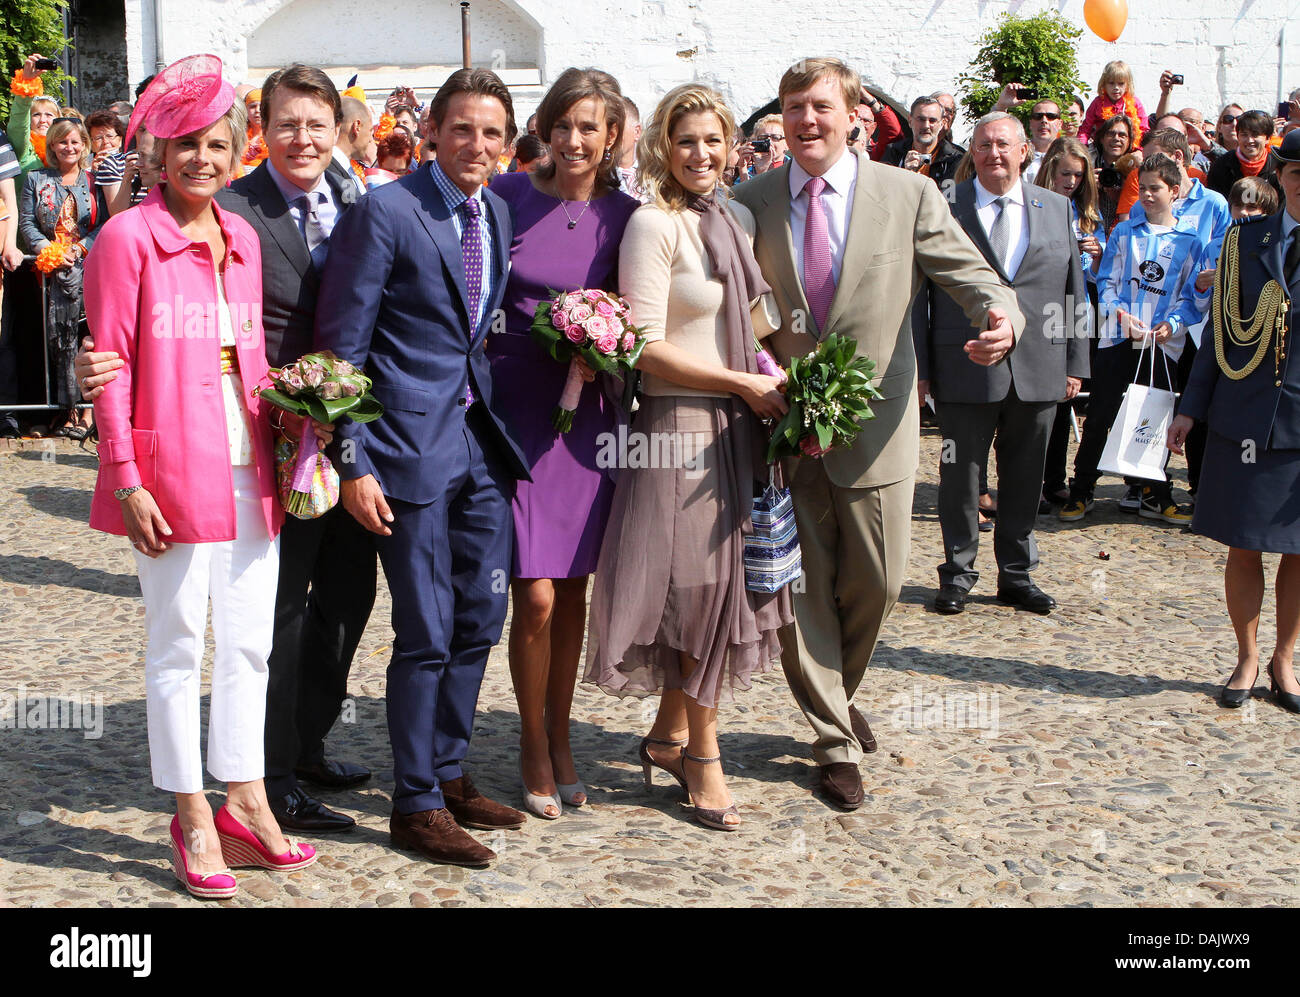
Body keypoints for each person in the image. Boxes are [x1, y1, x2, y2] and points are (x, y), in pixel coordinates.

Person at [77, 64, 374, 836]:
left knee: (249, 642)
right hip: (169, 460)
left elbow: (253, 359)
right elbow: (109, 364)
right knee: (177, 641)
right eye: (184, 145)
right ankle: (189, 812)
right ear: (157, 152)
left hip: (255, 459)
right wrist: (125, 476)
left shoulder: (239, 233)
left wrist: (311, 402)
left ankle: (247, 796)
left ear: (236, 147)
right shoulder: (125, 237)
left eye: (216, 144)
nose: (201, 159)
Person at [732, 58, 1021, 809]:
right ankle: (831, 734)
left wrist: (1005, 316)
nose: (807, 120)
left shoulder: (909, 194)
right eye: (794, 107)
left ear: (856, 113)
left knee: (881, 581)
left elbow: (972, 274)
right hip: (783, 431)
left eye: (822, 106)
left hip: (879, 427)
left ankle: (837, 686)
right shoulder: (748, 201)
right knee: (800, 590)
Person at [315, 67, 531, 867]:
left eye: (493, 134)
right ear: (433, 131)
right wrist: (351, 459)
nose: (478, 146)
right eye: (463, 129)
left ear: (508, 145)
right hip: (401, 453)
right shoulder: (385, 212)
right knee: (428, 626)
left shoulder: (498, 211)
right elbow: (342, 346)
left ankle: (446, 770)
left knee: (481, 613)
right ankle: (414, 805)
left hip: (478, 445)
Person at [584, 82, 792, 831]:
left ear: (730, 142)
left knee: (724, 586)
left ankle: (671, 735)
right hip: (677, 429)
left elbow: (759, 326)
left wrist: (796, 383)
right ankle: (704, 753)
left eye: (712, 139)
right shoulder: (654, 223)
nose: (700, 154)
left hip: (740, 430)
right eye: (685, 141)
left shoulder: (734, 218)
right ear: (662, 148)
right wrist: (739, 380)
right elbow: (640, 347)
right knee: (697, 594)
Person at [486, 68, 639, 820]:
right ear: (543, 129)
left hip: (589, 420)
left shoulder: (627, 215)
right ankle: (530, 740)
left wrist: (610, 341)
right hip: (514, 410)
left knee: (574, 587)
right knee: (535, 591)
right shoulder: (506, 199)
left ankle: (562, 729)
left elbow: (641, 312)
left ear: (613, 135)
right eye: (563, 124)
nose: (575, 140)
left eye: (591, 127)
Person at [915, 112, 1087, 616]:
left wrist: (1075, 362)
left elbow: (1073, 289)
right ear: (973, 151)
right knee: (959, 477)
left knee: (1026, 476)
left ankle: (1016, 574)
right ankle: (958, 573)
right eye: (985, 145)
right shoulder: (946, 206)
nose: (995, 154)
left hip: (1040, 365)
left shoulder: (1055, 208)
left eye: (1004, 145)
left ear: (1024, 151)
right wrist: (922, 365)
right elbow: (919, 294)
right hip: (963, 363)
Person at [1167, 130, 1300, 713]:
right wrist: (1190, 408)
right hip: (1243, 414)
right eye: (1296, 171)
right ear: (1280, 178)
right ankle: (1247, 656)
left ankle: (1285, 660)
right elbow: (1221, 333)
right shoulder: (1244, 240)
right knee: (1244, 547)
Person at [1059, 154, 1204, 525]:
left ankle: (1154, 492)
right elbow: (1105, 282)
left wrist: (1172, 324)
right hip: (1118, 339)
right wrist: (1121, 316)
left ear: (1174, 191)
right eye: (1143, 188)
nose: (1148, 195)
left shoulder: (1190, 241)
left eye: (1156, 188)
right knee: (1101, 415)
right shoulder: (1125, 232)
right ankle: (1082, 488)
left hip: (1162, 344)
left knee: (1154, 417)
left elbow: (1192, 297)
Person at [19, 115, 106, 439]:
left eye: (74, 141)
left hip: (89, 269)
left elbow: (105, 222)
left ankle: (86, 414)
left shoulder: (95, 180)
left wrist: (80, 249)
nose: (68, 147)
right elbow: (27, 222)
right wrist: (49, 250)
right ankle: (63, 412)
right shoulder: (35, 178)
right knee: (56, 343)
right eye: (62, 141)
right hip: (50, 274)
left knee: (87, 339)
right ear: (53, 145)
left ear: (83, 145)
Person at [1036, 137, 1106, 509]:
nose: (1072, 181)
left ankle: (1054, 479)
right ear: (1051, 170)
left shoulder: (1089, 212)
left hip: (1074, 307)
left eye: (1079, 175)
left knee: (1065, 394)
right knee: (1031, 399)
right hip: (1040, 304)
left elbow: (1104, 274)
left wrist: (1097, 256)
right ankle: (1025, 479)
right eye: (1066, 173)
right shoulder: (1034, 204)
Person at [883, 96, 963, 187]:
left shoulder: (955, 159)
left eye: (932, 120)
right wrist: (904, 173)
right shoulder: (894, 151)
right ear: (910, 120)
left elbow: (949, 198)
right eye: (921, 119)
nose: (926, 126)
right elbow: (883, 191)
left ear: (942, 124)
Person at [1207, 110, 1279, 200]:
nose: (1249, 140)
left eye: (1255, 135)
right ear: (1238, 137)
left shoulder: (1277, 167)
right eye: (1244, 135)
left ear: (1267, 138)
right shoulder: (1222, 165)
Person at [1077, 60, 1147, 145]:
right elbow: (1085, 129)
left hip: (1129, 149)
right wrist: (1082, 148)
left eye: (1121, 84)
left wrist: (1139, 150)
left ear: (1127, 85)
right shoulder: (1097, 103)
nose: (1116, 88)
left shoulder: (1135, 103)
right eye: (1111, 83)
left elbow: (1144, 130)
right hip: (1102, 149)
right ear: (1104, 84)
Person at [1090, 112, 1136, 232]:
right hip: (1091, 231)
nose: (1116, 138)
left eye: (1122, 135)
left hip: (1120, 232)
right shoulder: (1088, 164)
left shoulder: (1134, 170)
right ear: (1101, 138)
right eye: (1111, 134)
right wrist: (1088, 185)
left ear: (1129, 141)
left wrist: (1123, 193)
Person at [334, 95, 373, 196]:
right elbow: (352, 208)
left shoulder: (344, 167)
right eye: (370, 131)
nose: (370, 140)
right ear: (357, 127)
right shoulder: (330, 170)